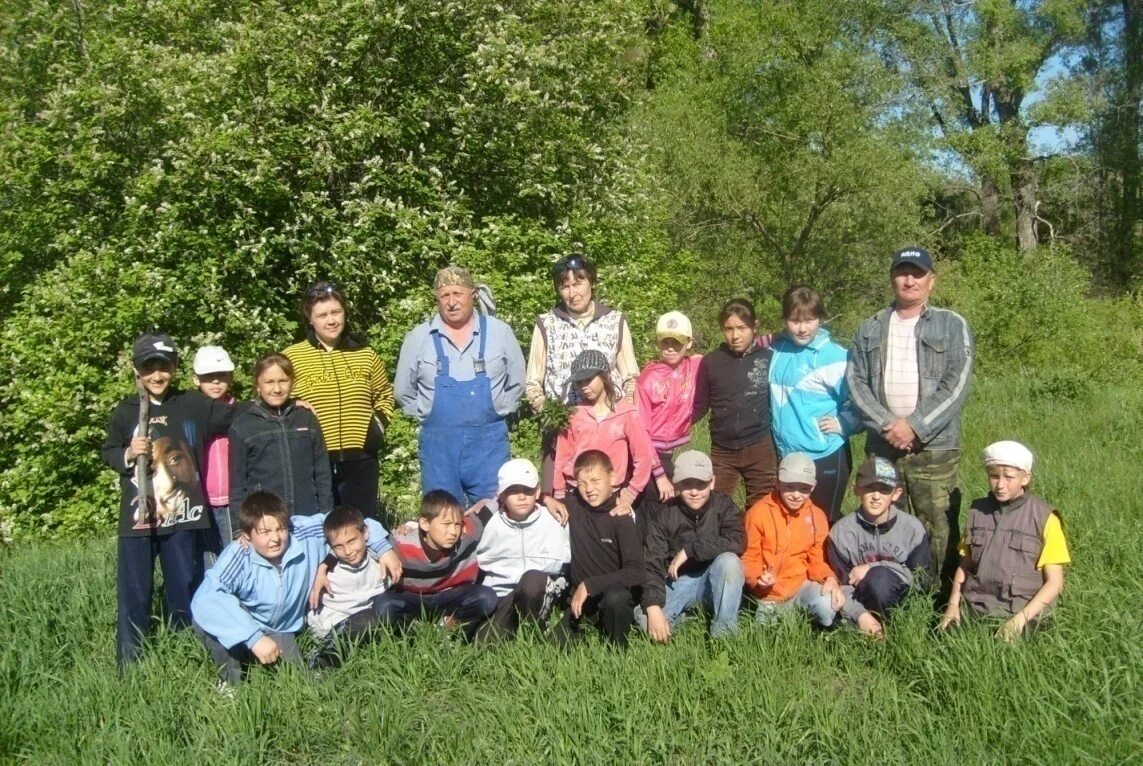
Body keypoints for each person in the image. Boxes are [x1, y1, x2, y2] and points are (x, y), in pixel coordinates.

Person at [101, 332, 235, 668]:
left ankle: (184, 652)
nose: (157, 375)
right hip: (138, 520)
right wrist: (128, 453)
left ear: (175, 366)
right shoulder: (124, 412)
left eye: (163, 366)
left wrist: (286, 402)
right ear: (137, 371)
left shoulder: (192, 404)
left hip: (183, 518)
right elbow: (109, 451)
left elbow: (236, 412)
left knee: (184, 587)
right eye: (149, 368)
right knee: (136, 592)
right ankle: (130, 663)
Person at [846, 247, 973, 594]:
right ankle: (893, 595)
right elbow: (855, 383)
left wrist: (915, 425)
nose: (910, 279)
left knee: (938, 524)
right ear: (892, 279)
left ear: (931, 281)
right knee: (885, 521)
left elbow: (956, 383)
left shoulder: (951, 324)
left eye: (918, 273)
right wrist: (888, 424)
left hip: (935, 446)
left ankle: (941, 599)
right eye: (903, 272)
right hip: (883, 444)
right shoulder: (869, 327)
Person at [191, 491, 401, 685]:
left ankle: (258, 655)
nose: (275, 539)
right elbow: (205, 598)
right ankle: (230, 682)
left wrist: (384, 549)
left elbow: (354, 523)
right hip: (248, 621)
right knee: (204, 618)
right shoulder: (238, 554)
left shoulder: (303, 531)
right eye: (264, 532)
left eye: (280, 529)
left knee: (298, 681)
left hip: (283, 628)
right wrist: (253, 637)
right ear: (247, 535)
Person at [395, 267, 526, 505]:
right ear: (437, 299)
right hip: (439, 449)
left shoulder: (500, 332)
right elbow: (403, 390)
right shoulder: (418, 337)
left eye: (458, 293)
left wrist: (500, 409)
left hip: (489, 447)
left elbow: (517, 382)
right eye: (445, 296)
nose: (452, 302)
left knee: (496, 514)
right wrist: (427, 414)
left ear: (473, 294)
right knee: (442, 517)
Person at [525, 253, 640, 491]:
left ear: (592, 283)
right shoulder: (547, 324)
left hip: (609, 431)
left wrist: (623, 413)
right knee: (559, 501)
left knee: (610, 496)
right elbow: (533, 383)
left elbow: (630, 376)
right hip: (564, 431)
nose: (571, 292)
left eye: (578, 283)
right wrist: (551, 415)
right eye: (564, 286)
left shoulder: (614, 321)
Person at [283, 280, 395, 518]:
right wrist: (292, 405)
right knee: (321, 523)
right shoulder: (292, 357)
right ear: (310, 320)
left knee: (360, 524)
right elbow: (275, 397)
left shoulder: (365, 354)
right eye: (322, 315)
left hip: (361, 457)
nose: (331, 320)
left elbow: (385, 395)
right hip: (315, 458)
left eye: (336, 312)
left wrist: (377, 427)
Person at [939, 441, 1070, 642]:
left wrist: (1018, 621)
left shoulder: (1045, 518)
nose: (1000, 484)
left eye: (1009, 477)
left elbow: (1055, 583)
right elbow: (965, 566)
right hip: (977, 608)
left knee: (1009, 656)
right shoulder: (977, 511)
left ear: (1025, 478)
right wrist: (953, 606)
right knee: (945, 642)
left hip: (1023, 613)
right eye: (994, 476)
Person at [637, 451, 746, 642]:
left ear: (712, 482)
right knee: (643, 617)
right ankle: (690, 618)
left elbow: (737, 540)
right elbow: (652, 561)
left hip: (713, 580)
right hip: (678, 582)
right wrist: (653, 606)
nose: (694, 491)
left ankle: (724, 635)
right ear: (677, 485)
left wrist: (690, 550)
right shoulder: (665, 514)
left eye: (701, 484)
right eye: (687, 485)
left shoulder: (724, 505)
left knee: (730, 561)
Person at [769, 286, 856, 523]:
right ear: (785, 320)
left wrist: (846, 422)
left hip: (825, 455)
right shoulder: (777, 349)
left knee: (823, 524)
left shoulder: (835, 356)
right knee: (792, 524)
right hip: (786, 453)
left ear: (820, 319)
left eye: (810, 320)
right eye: (795, 320)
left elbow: (866, 398)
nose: (802, 328)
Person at [373, 490, 499, 640]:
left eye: (457, 524)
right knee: (384, 606)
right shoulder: (401, 544)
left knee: (486, 597)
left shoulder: (467, 532)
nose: (453, 531)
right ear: (425, 524)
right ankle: (415, 637)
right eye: (446, 524)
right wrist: (383, 550)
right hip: (413, 597)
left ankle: (450, 632)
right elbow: (362, 529)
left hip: (452, 594)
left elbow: (495, 504)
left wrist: (492, 499)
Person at [826, 457, 931, 637]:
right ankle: (865, 628)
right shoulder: (841, 532)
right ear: (856, 489)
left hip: (901, 602)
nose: (876, 496)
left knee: (879, 577)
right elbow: (841, 584)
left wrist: (873, 567)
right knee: (827, 611)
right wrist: (861, 616)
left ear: (896, 493)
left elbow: (921, 579)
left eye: (884, 490)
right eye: (869, 488)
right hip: (856, 603)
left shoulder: (912, 528)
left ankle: (896, 630)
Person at [552, 450, 646, 648]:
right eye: (582, 483)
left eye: (595, 481)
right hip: (581, 602)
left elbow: (637, 572)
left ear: (612, 478)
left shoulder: (620, 518)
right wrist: (546, 499)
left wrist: (590, 584)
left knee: (616, 597)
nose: (589, 489)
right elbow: (533, 501)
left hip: (611, 598)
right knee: (553, 647)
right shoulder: (575, 506)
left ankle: (619, 650)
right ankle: (583, 629)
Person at [692, 298, 778, 508]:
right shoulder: (711, 361)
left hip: (760, 445)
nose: (735, 335)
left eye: (742, 328)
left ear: (754, 326)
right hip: (722, 449)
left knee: (762, 508)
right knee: (716, 507)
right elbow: (700, 404)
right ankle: (724, 541)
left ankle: (755, 542)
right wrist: (673, 428)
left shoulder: (769, 358)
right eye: (728, 329)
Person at [741, 453, 843, 627]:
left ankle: (808, 621)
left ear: (813, 487)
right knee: (765, 633)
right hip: (770, 592)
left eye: (803, 488)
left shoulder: (817, 516)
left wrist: (829, 578)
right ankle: (789, 617)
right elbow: (748, 557)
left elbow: (817, 560)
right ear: (778, 483)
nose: (796, 495)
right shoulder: (758, 513)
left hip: (801, 585)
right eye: (790, 487)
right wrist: (758, 578)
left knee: (827, 609)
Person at [475, 458, 571, 639]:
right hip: (503, 595)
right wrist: (409, 526)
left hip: (540, 590)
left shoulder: (556, 517)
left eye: (527, 491)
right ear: (501, 495)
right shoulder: (489, 520)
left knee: (531, 580)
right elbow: (454, 524)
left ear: (537, 492)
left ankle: (535, 631)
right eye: (513, 491)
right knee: (486, 643)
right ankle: (508, 628)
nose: (521, 497)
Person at [229, 353, 335, 517]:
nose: (277, 389)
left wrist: (327, 515)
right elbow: (237, 485)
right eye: (269, 382)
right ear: (257, 385)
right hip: (264, 519)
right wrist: (239, 527)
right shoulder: (243, 426)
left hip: (308, 515)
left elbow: (323, 473)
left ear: (292, 381)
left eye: (283, 381)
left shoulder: (307, 419)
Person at [305, 506, 392, 665]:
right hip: (331, 623)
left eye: (352, 541)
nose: (348, 551)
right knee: (367, 619)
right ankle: (321, 662)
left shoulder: (379, 559)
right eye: (338, 546)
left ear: (366, 533)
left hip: (368, 620)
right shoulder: (327, 568)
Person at [636, 311, 704, 480]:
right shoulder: (648, 377)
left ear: (689, 343)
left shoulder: (697, 366)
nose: (670, 348)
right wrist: (658, 472)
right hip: (650, 450)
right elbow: (641, 430)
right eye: (665, 342)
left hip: (678, 448)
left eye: (677, 342)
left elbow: (726, 358)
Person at [192, 345, 237, 564]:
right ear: (196, 379)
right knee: (209, 563)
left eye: (222, 375)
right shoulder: (190, 412)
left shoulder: (241, 411)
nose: (216, 381)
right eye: (209, 377)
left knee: (234, 558)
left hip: (233, 500)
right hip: (202, 500)